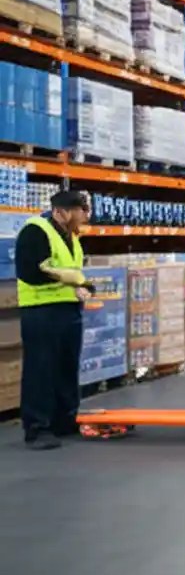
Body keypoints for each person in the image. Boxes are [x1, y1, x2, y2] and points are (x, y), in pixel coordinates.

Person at [17, 190, 93, 450]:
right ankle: (37, 428)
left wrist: (82, 287)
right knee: (42, 369)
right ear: (62, 211)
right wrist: (65, 278)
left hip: (68, 309)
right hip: (41, 310)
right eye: (81, 211)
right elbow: (30, 271)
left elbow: (73, 273)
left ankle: (65, 420)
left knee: (66, 367)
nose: (85, 217)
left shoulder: (71, 236)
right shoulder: (35, 230)